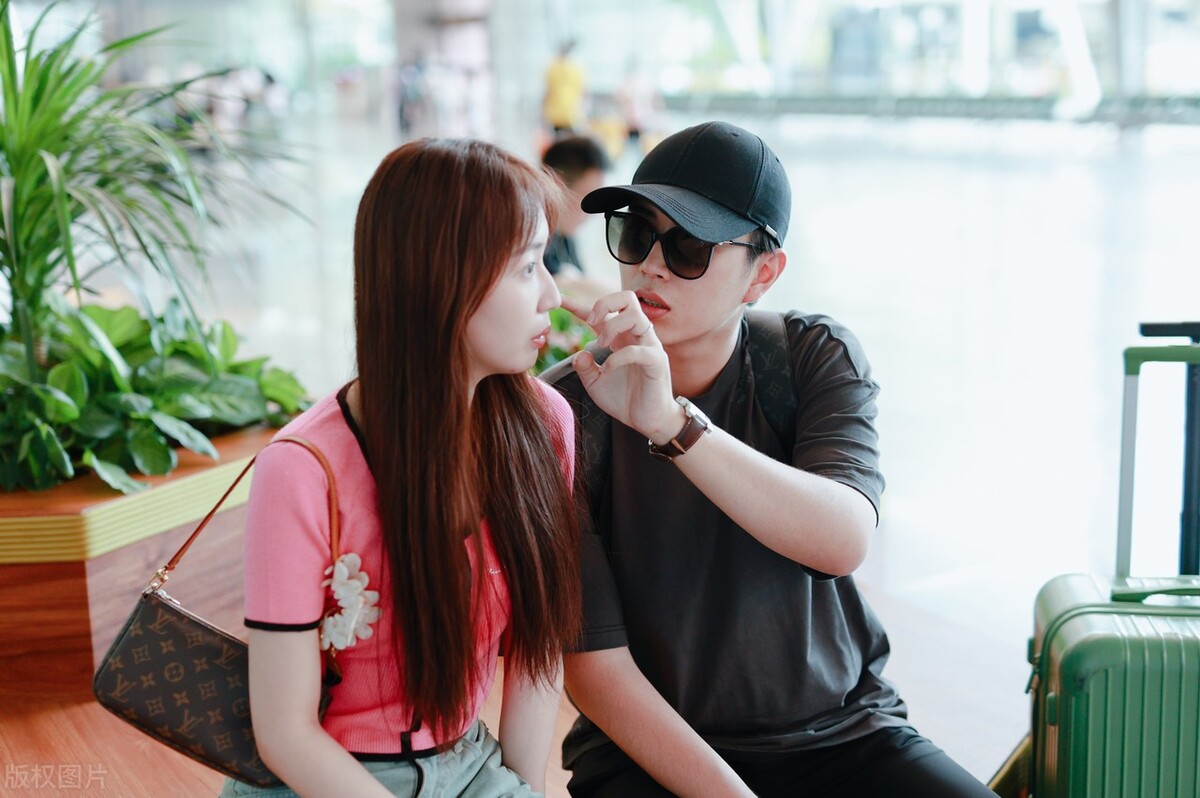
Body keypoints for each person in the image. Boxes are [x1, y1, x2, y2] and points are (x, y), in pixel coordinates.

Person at [542, 121, 997, 797]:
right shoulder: (567, 412)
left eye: (691, 245)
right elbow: (595, 668)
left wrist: (672, 424)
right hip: (649, 756)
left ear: (763, 273)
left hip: (840, 734)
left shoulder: (811, 359)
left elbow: (841, 540)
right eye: (638, 233)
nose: (652, 266)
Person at [223, 139, 581, 797]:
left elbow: (536, 658)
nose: (552, 294)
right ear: (441, 277)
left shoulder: (544, 425)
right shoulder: (302, 470)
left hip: (473, 767)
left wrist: (525, 792)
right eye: (528, 267)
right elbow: (284, 732)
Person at [542, 40, 586, 137]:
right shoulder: (576, 69)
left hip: (557, 112)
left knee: (559, 139)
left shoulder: (552, 67)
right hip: (570, 112)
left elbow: (547, 91)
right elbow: (582, 92)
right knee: (571, 139)